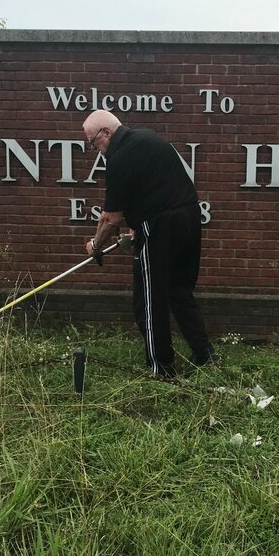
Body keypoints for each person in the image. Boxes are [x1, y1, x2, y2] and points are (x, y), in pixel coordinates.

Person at [83, 110, 217, 377]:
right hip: (190, 221)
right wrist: (138, 222)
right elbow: (154, 188)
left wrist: (96, 245)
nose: (95, 149)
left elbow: (111, 218)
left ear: (106, 133)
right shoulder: (148, 138)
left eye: (93, 142)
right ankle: (205, 355)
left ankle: (162, 369)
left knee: (148, 299)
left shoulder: (118, 156)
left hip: (160, 228)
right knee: (179, 291)